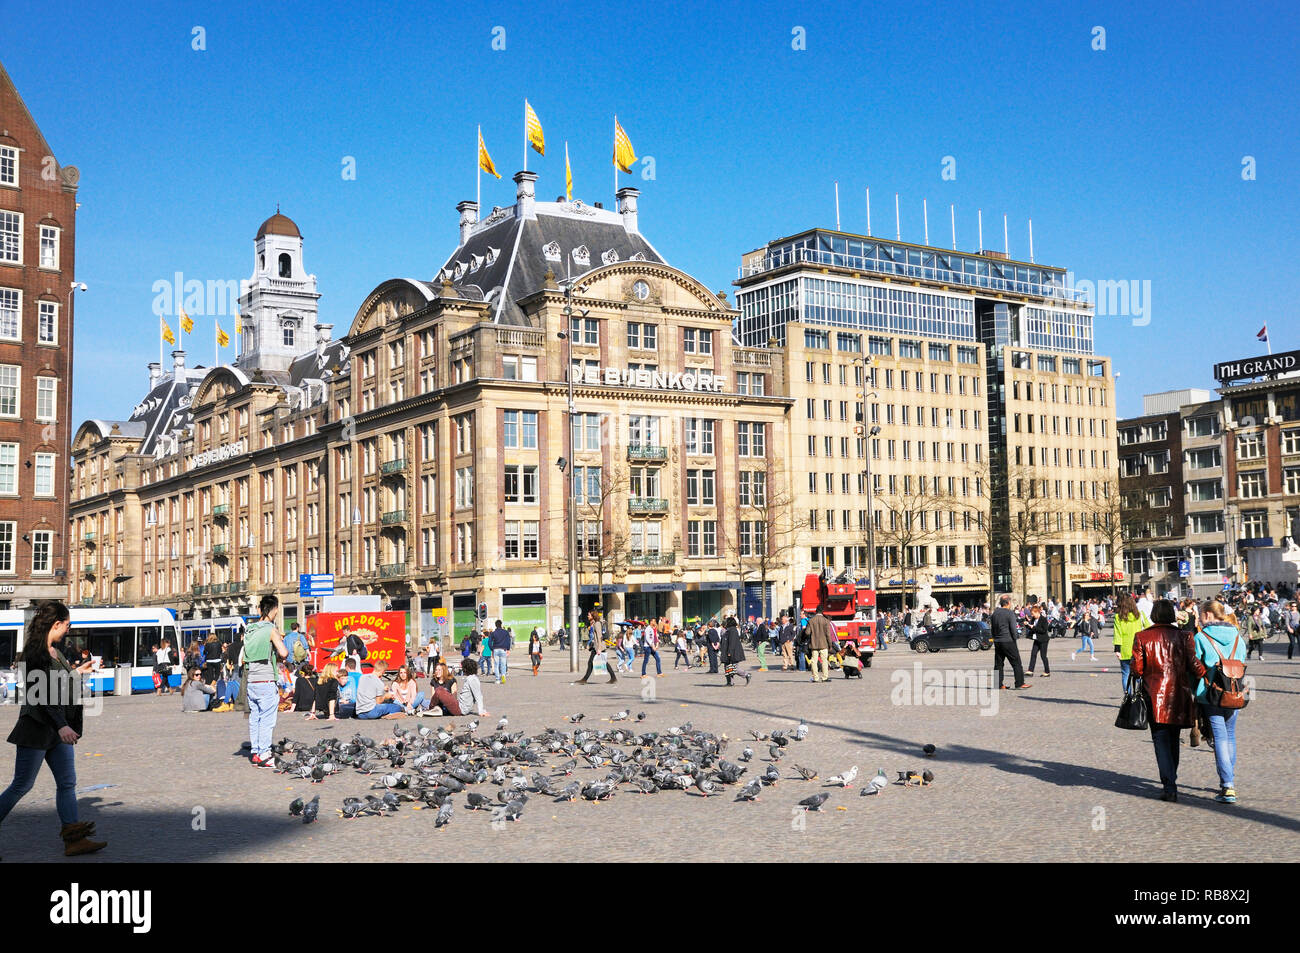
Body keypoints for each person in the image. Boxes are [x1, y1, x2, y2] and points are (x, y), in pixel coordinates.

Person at [0, 601, 106, 857]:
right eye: (67, 625)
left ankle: (74, 839)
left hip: (58, 728)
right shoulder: (33, 655)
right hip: (37, 727)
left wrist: (79, 671)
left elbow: (58, 685)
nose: (68, 630)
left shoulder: (55, 653)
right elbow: (40, 696)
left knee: (67, 783)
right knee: (22, 785)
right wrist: (61, 727)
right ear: (56, 624)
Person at [1130, 600, 1205, 803]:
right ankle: (1171, 780)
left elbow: (1136, 670)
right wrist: (1205, 673)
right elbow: (1194, 664)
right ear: (1172, 615)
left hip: (1154, 695)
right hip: (1178, 695)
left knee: (1161, 740)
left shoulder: (1142, 637)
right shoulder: (1184, 636)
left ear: (1154, 614)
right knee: (1173, 740)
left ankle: (1169, 785)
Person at [1192, 601, 1247, 804]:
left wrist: (1193, 690)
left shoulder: (1201, 637)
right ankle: (1228, 779)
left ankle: (1228, 785)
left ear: (1208, 615)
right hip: (1235, 692)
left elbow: (1195, 667)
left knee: (1220, 737)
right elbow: (1241, 660)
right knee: (1229, 735)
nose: (1198, 618)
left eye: (1200, 614)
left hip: (1211, 694)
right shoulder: (1236, 636)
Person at [245, 594, 289, 766]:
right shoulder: (271, 629)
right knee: (267, 719)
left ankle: (255, 752)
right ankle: (264, 754)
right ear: (275, 610)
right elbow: (284, 652)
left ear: (259, 609)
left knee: (255, 717)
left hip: (252, 681)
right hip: (266, 680)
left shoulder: (250, 629)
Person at [990, 595, 1029, 690]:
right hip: (1008, 640)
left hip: (998, 641)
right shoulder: (1009, 613)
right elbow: (1013, 628)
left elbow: (993, 628)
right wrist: (1015, 638)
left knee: (998, 664)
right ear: (1008, 603)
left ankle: (997, 684)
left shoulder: (994, 613)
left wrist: (995, 638)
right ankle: (1019, 683)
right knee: (1016, 662)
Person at [1112, 594, 1149, 693]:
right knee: (1140, 674)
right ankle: (1142, 695)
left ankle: (1129, 698)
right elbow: (1148, 628)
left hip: (1125, 649)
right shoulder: (1140, 615)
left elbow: (1118, 633)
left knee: (1126, 674)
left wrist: (1117, 649)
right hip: (1139, 649)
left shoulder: (1118, 617)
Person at [575, 612, 616, 685]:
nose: (588, 616)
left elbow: (599, 636)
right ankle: (613, 678)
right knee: (599, 662)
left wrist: (599, 648)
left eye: (589, 615)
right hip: (596, 646)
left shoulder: (597, 624)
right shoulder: (594, 623)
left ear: (593, 616)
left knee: (596, 662)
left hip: (599, 646)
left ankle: (585, 679)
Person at [720, 617, 750, 686]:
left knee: (733, 668)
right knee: (727, 667)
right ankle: (730, 682)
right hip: (728, 651)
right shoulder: (729, 630)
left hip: (733, 652)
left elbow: (732, 642)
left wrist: (730, 652)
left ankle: (746, 674)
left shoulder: (733, 630)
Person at [1025, 604, 1052, 677]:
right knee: (1033, 654)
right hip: (1036, 639)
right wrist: (1027, 625)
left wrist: (1034, 627)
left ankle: (1047, 671)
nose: (1032, 616)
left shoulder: (1043, 619)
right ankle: (1030, 671)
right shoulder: (1033, 619)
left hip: (1043, 640)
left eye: (1033, 614)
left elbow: (1043, 630)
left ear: (1037, 612)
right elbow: (1032, 628)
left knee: (1043, 656)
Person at [489, 619, 512, 684]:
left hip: (496, 649)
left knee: (496, 665)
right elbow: (508, 641)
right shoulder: (505, 632)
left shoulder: (493, 633)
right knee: (503, 664)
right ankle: (503, 675)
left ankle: (497, 679)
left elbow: (489, 642)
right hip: (503, 649)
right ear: (501, 624)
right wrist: (508, 649)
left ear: (495, 625)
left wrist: (492, 649)